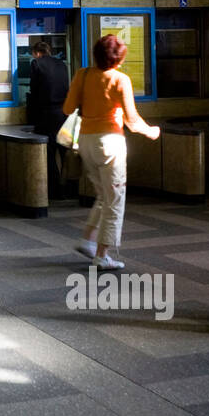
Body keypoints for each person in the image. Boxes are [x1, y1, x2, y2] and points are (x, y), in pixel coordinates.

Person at [64, 34, 160, 270]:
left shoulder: (82, 74)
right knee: (115, 199)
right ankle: (102, 254)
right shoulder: (120, 79)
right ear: (118, 59)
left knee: (103, 195)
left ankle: (87, 239)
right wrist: (151, 131)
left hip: (85, 142)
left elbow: (67, 108)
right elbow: (132, 120)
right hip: (111, 145)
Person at [27, 40, 72, 200]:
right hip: (64, 114)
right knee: (64, 152)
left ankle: (54, 190)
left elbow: (34, 89)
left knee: (49, 153)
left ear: (37, 53)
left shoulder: (36, 64)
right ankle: (68, 187)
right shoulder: (62, 64)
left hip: (47, 114)